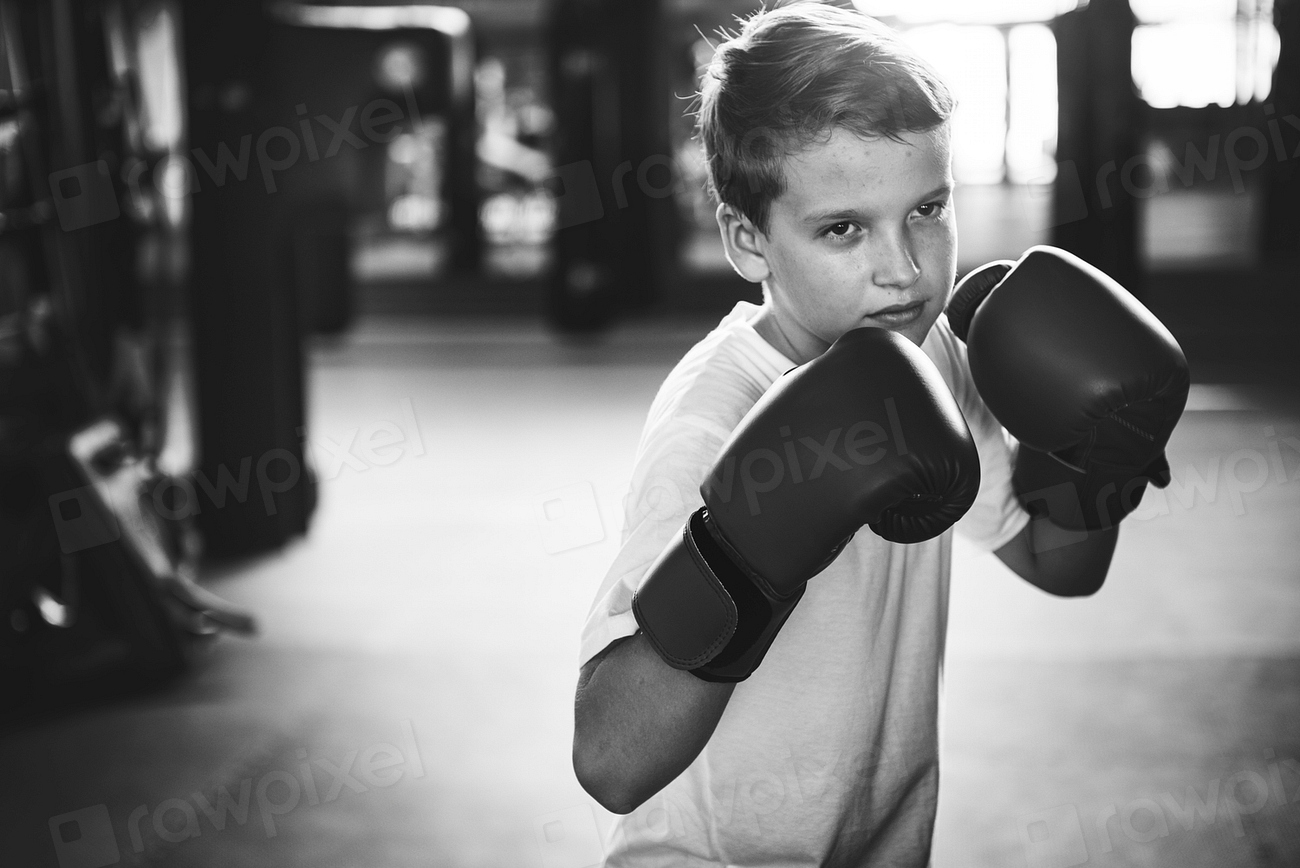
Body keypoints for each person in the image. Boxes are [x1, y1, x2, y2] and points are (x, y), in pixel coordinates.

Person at [571, 3, 1184, 864]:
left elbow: (1060, 565)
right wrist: (747, 549)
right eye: (843, 228)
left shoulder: (932, 354)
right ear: (747, 241)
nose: (904, 270)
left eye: (927, 209)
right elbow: (611, 762)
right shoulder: (712, 422)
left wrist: (1096, 460)